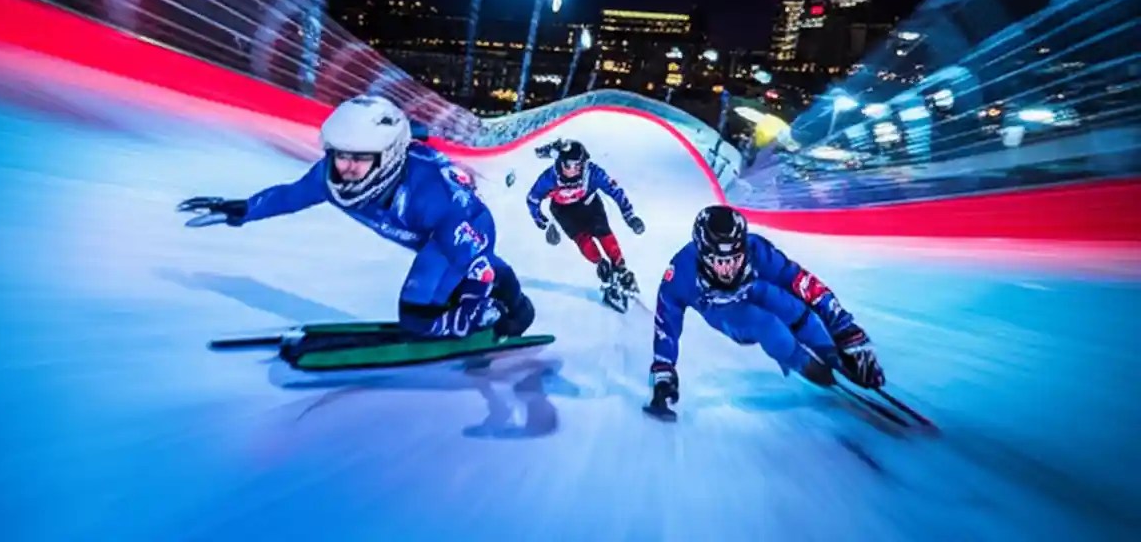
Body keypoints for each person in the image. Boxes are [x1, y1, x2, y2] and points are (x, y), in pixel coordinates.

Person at [178, 95, 535, 340]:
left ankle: (501, 312)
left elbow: (477, 246)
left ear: (390, 155)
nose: (346, 168)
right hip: (440, 238)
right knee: (435, 297)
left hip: (457, 235)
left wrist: (475, 299)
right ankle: (504, 306)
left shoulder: (434, 191)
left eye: (360, 158)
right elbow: (291, 196)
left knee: (417, 318)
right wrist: (242, 209)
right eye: (340, 155)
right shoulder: (330, 176)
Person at [648, 205, 885, 408]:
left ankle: (834, 357)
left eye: (735, 259)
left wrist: (845, 330)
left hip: (751, 288)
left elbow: (802, 283)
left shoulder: (757, 249)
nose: (729, 269)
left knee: (792, 307)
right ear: (703, 256)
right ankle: (807, 365)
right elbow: (667, 319)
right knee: (767, 324)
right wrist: (663, 369)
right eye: (720, 262)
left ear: (744, 249)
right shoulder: (681, 271)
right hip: (721, 308)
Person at [526, 139, 646, 293]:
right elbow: (532, 199)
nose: (572, 169)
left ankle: (619, 265)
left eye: (577, 165)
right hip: (563, 210)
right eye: (568, 164)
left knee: (603, 231)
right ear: (561, 162)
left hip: (588, 203)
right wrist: (544, 223)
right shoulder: (550, 178)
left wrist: (630, 216)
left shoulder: (593, 173)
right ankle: (601, 265)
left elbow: (615, 191)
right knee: (582, 239)